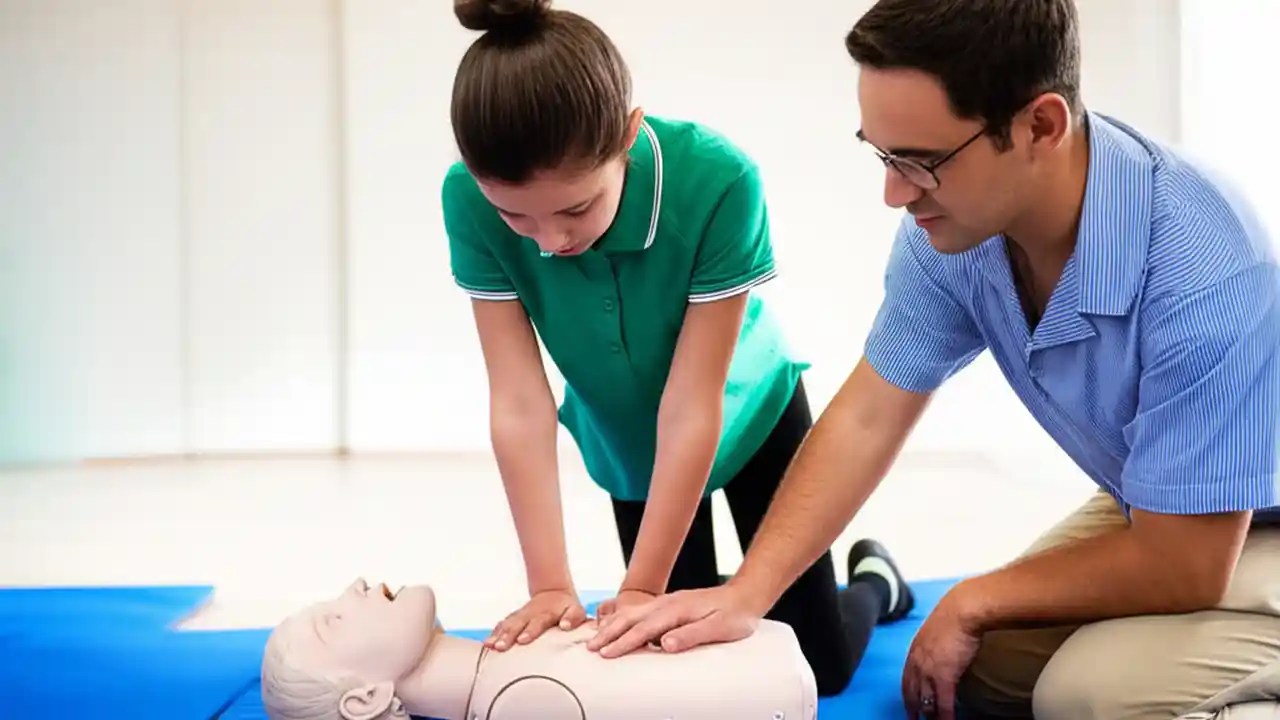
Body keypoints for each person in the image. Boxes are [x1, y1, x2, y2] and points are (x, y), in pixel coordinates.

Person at [586, 1, 1280, 719]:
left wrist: (974, 597)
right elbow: (869, 414)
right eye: (883, 155)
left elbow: (1188, 564)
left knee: (1090, 697)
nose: (894, 193)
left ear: (1040, 125)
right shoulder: (961, 228)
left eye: (921, 163)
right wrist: (746, 594)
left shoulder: (1207, 266)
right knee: (970, 675)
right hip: (1174, 505)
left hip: (1237, 526)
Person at [440, 0, 914, 698]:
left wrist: (640, 583)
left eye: (574, 209)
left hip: (750, 411)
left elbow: (695, 402)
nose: (548, 242)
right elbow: (518, 401)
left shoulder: (717, 180)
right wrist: (550, 585)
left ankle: (876, 581)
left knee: (824, 667)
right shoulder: (467, 200)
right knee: (676, 653)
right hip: (629, 440)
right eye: (516, 216)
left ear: (628, 136)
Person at [258, 577, 818, 720]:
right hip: (776, 679)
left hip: (763, 651)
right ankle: (874, 586)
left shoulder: (506, 678)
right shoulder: (519, 700)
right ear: (363, 700)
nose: (354, 586)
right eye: (333, 621)